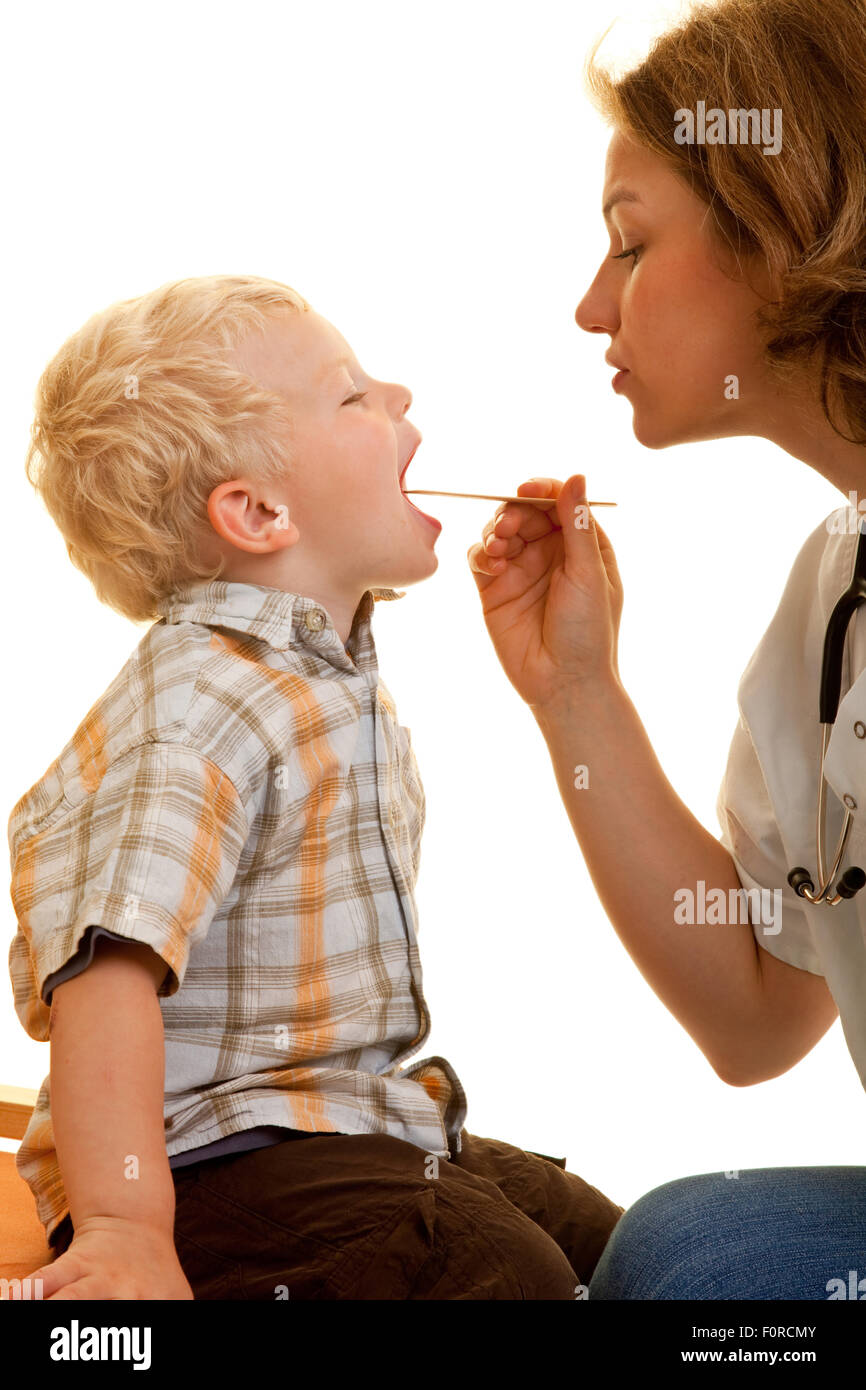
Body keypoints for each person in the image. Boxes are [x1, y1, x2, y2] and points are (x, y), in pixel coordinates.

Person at [6, 274, 623, 1301]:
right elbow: (100, 973)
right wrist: (122, 1226)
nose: (397, 396)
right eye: (352, 397)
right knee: (489, 1269)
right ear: (255, 510)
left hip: (338, 1130)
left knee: (608, 1239)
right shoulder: (196, 701)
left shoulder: (321, 682)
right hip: (202, 1166)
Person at [467, 0, 866, 1299]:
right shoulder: (827, 592)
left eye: (629, 244)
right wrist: (571, 688)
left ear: (785, 215)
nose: (590, 306)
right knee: (690, 1251)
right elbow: (755, 1015)